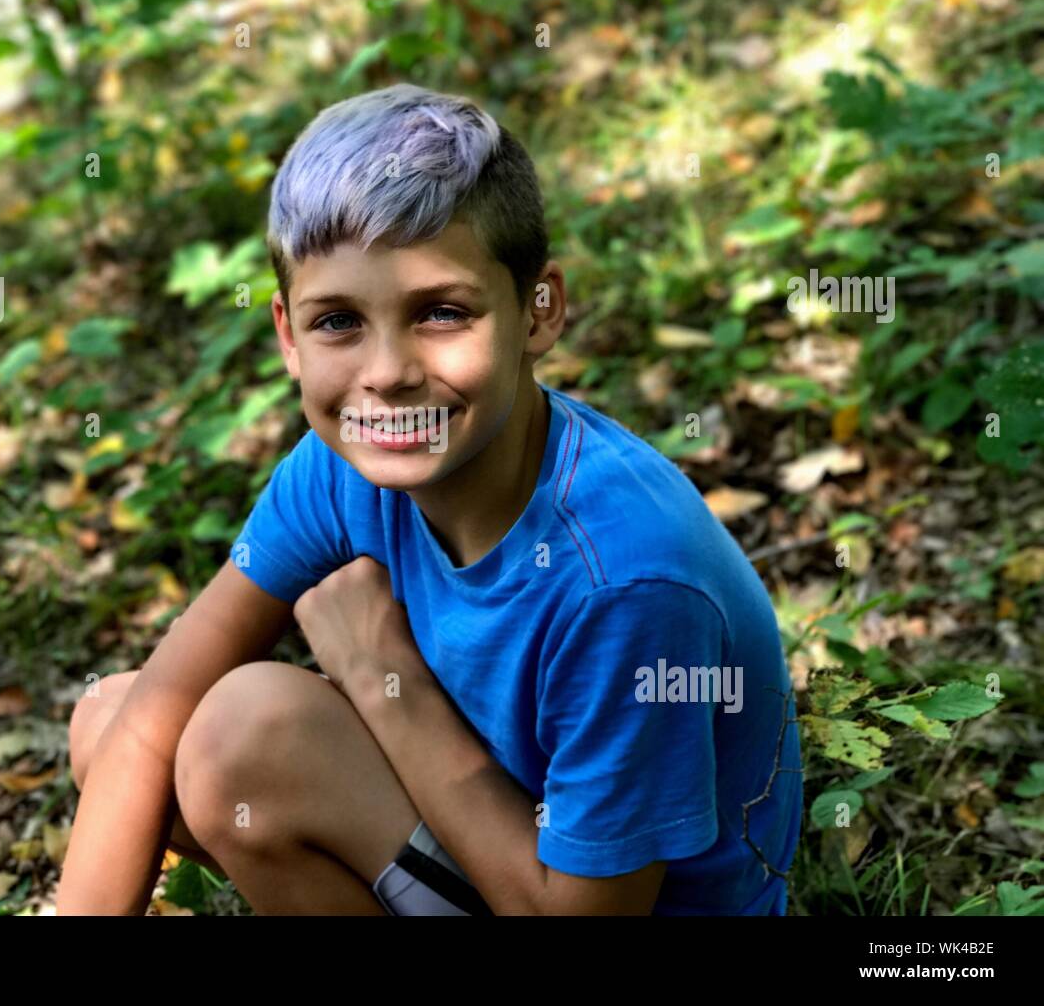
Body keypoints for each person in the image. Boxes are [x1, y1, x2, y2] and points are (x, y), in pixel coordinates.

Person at [57, 83, 802, 916]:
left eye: (442, 312)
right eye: (338, 321)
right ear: (287, 336)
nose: (387, 373)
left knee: (244, 734)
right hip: (490, 839)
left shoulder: (625, 580)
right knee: (114, 720)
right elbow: (157, 711)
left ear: (539, 309)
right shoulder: (340, 467)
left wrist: (383, 676)